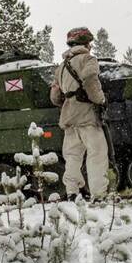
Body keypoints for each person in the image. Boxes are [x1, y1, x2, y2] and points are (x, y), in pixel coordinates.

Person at [49, 26, 110, 199]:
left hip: (68, 116)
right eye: (89, 42)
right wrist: (100, 100)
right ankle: (99, 194)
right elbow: (91, 80)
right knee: (97, 154)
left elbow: (54, 96)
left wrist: (68, 101)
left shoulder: (61, 67)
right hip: (87, 115)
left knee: (72, 156)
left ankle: (71, 192)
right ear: (85, 43)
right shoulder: (88, 59)